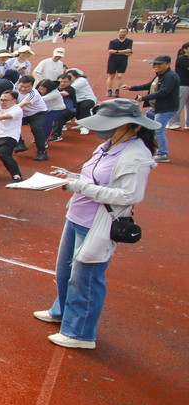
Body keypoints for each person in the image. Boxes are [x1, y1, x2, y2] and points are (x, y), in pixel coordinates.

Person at [33, 100, 158, 349]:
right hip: (78, 215)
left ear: (126, 125)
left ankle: (80, 333)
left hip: (99, 223)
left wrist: (79, 186)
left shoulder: (135, 155)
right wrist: (72, 177)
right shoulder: (108, 146)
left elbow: (129, 196)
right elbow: (96, 180)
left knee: (86, 278)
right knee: (66, 271)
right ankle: (62, 313)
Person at [125, 54, 179, 163]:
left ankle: (163, 154)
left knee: (159, 129)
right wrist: (132, 88)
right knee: (147, 123)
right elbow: (149, 85)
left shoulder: (170, 77)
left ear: (168, 64)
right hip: (156, 108)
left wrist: (143, 98)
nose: (156, 66)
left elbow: (163, 92)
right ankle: (147, 144)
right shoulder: (160, 74)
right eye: (155, 63)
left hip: (165, 108)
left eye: (160, 64)